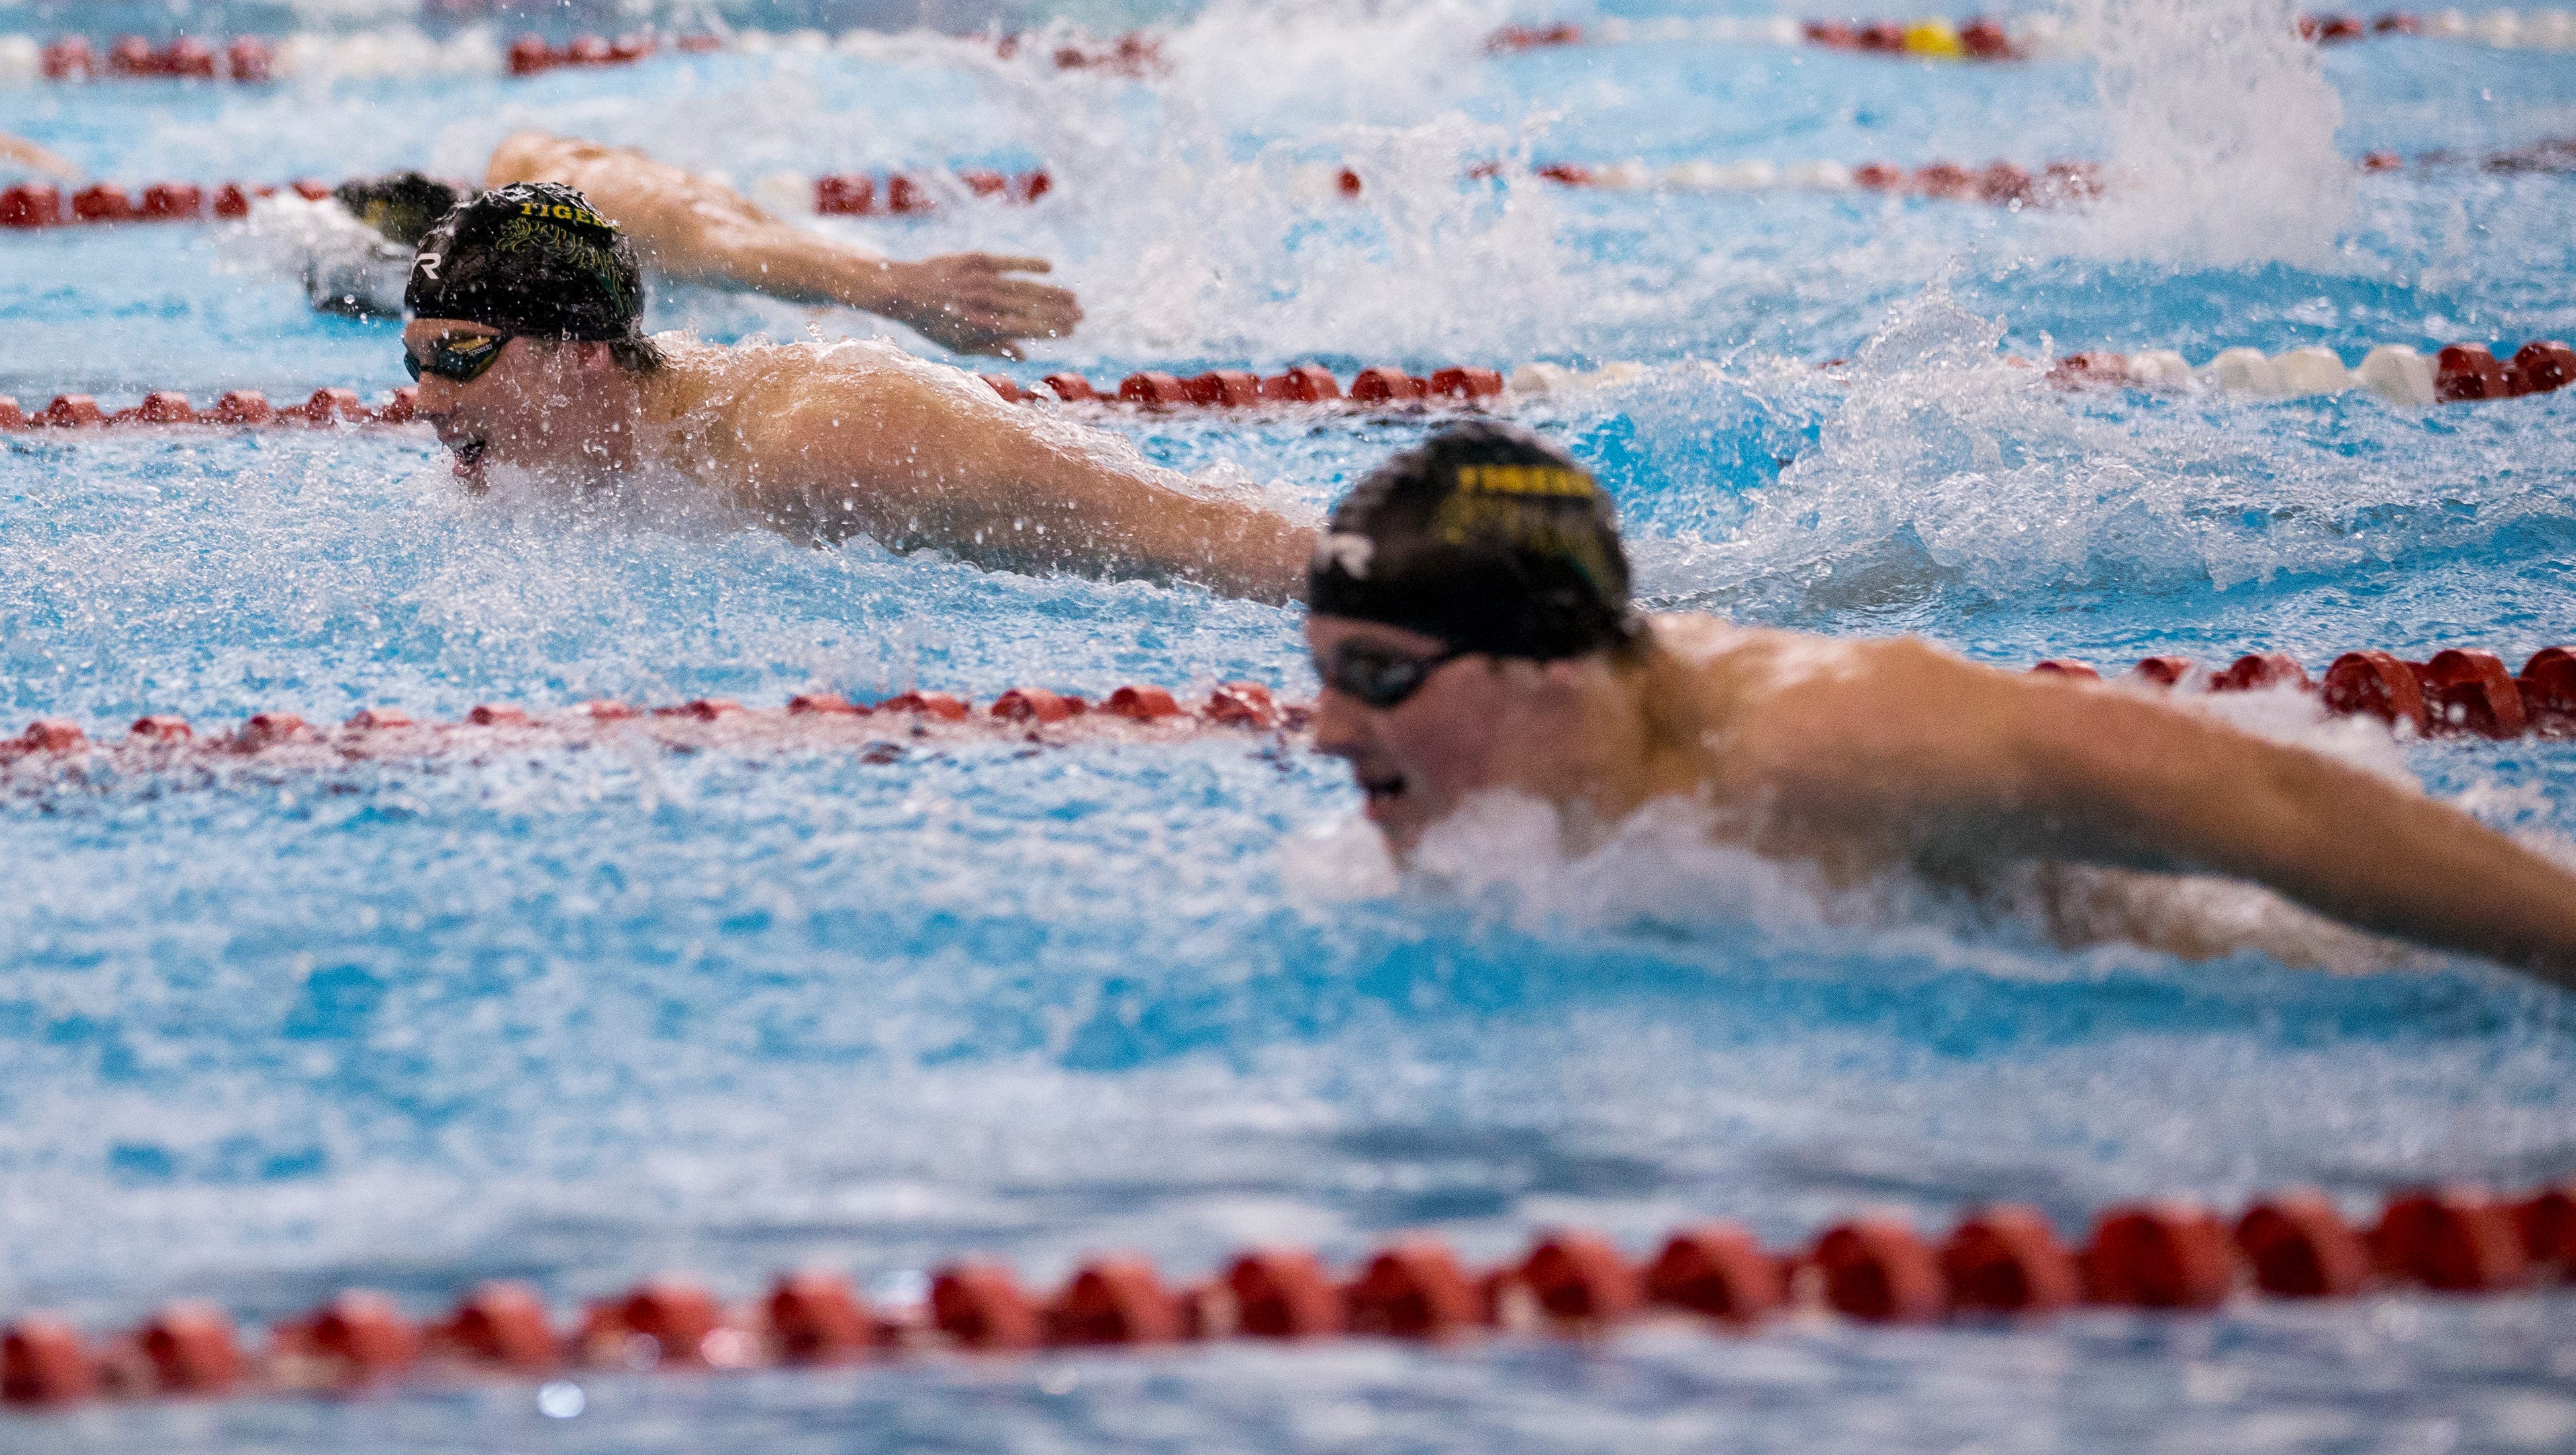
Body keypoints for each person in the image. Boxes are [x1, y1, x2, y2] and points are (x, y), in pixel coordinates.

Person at [1303, 421, 2576, 988]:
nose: (1325, 728)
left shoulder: (1832, 736)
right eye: (1321, 672)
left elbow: (2267, 802)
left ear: (1546, 665)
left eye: (1377, 678)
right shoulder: (1507, 801)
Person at [403, 182, 1308, 602]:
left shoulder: (816, 437)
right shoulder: (549, 459)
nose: (426, 403)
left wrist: (1413, 586)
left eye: (459, 357)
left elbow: (1182, 530)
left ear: (584, 354)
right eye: (414, 364)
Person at [276, 131, 1079, 357]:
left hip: (832, 274)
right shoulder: (556, 235)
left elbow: (713, 237)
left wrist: (896, 289)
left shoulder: (542, 177)